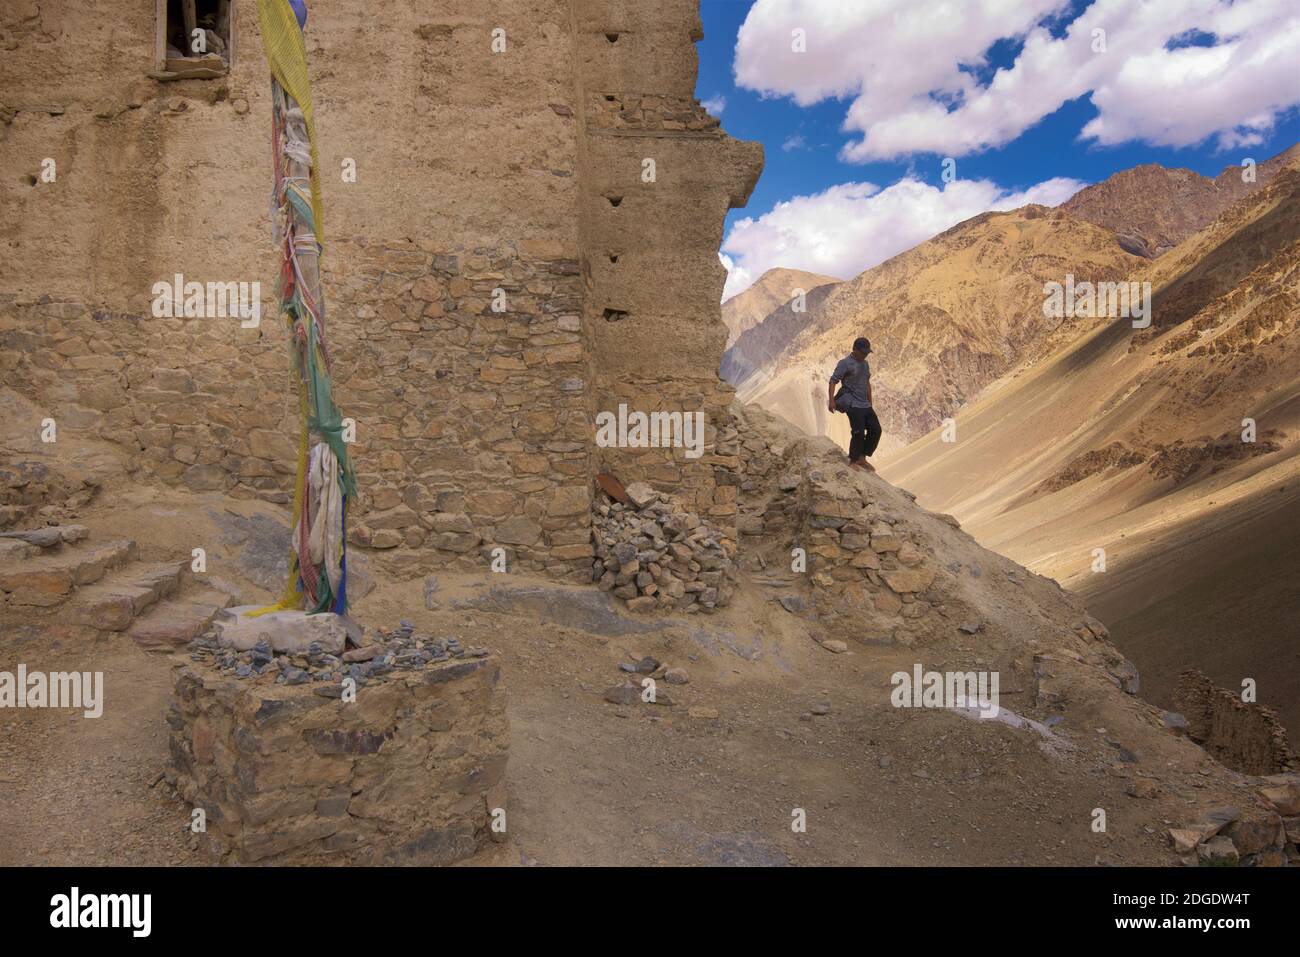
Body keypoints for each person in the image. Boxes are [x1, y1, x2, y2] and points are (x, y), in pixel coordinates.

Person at [827, 336, 883, 470]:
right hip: (852, 403)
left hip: (864, 403)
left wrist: (870, 401)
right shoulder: (845, 363)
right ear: (855, 350)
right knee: (858, 432)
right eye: (863, 352)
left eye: (867, 353)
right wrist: (831, 401)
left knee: (876, 430)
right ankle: (853, 461)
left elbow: (867, 382)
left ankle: (862, 457)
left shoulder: (865, 364)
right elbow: (833, 381)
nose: (865, 355)